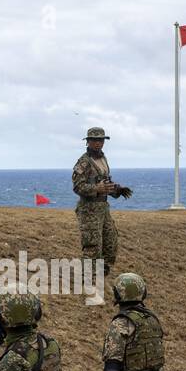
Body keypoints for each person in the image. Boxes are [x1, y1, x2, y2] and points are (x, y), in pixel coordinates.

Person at [71, 127, 131, 306]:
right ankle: (88, 283)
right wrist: (96, 189)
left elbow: (104, 183)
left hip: (103, 207)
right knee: (92, 246)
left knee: (111, 243)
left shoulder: (103, 159)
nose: (98, 143)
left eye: (101, 140)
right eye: (94, 140)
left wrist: (117, 190)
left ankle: (100, 276)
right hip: (89, 209)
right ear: (87, 142)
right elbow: (77, 187)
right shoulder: (84, 162)